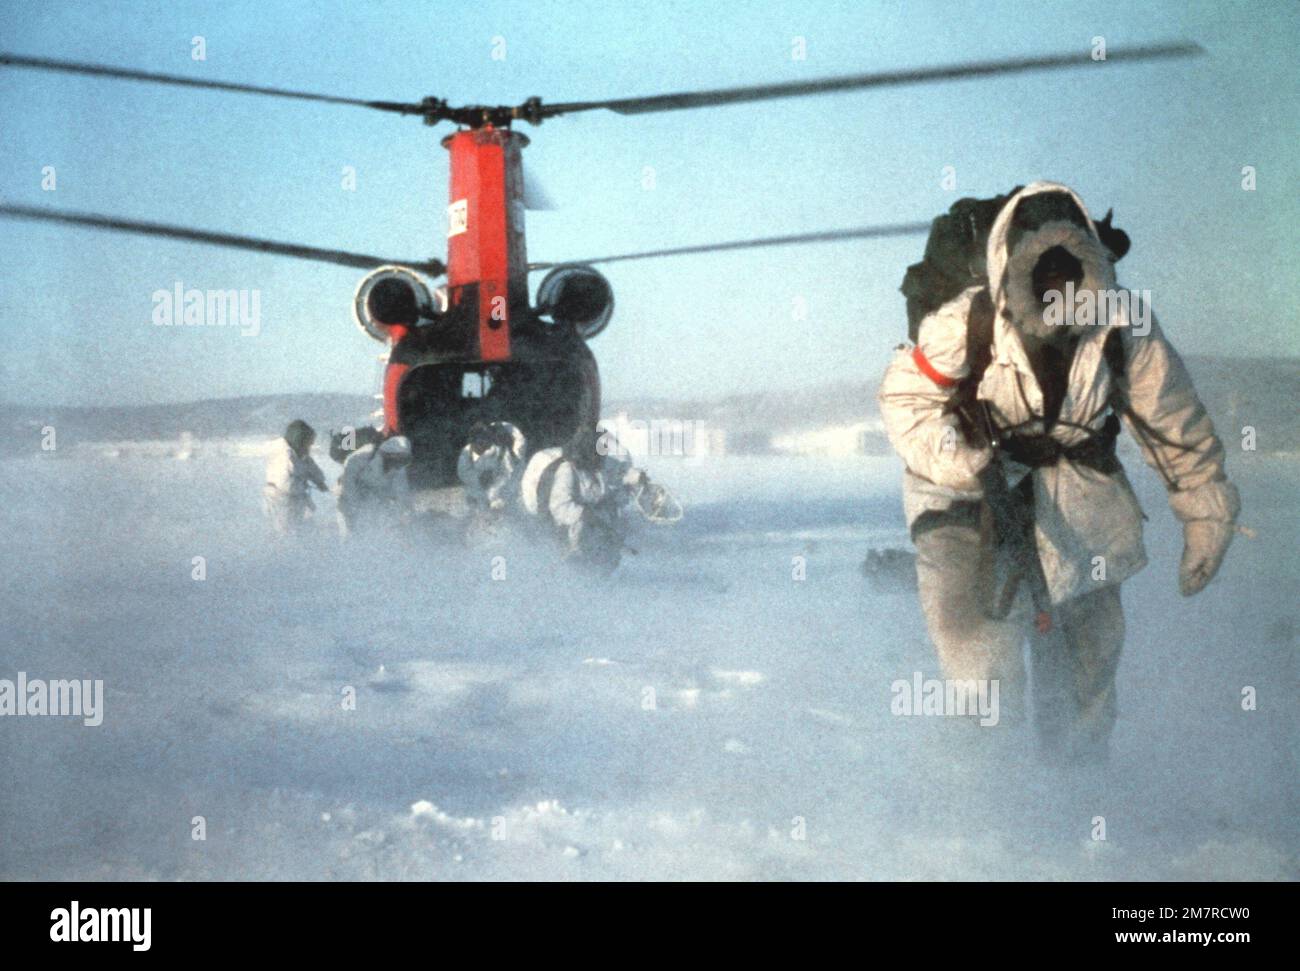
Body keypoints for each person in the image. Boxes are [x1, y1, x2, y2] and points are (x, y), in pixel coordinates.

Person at [879, 181, 1240, 762]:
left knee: (1088, 656)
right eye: (1041, 276)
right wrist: (965, 463)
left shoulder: (1123, 326)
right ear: (1015, 270)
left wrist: (1205, 510)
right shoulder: (963, 323)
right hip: (962, 497)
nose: (1056, 292)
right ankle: (983, 793)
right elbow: (907, 401)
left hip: (1078, 498)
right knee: (978, 655)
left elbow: (1172, 419)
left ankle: (1076, 793)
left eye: (1069, 275)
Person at [519, 427, 650, 572]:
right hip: (564, 522)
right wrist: (584, 515)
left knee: (610, 540)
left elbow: (617, 473)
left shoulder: (598, 465)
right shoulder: (566, 471)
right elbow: (559, 507)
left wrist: (635, 477)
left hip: (591, 519)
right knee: (578, 549)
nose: (601, 458)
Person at [337, 434, 413, 537]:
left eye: (404, 460)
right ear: (388, 455)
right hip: (353, 503)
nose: (399, 464)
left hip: (378, 504)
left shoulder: (398, 468)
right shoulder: (359, 460)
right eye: (398, 459)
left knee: (382, 532)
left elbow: (402, 491)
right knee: (355, 535)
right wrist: (354, 513)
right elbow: (349, 489)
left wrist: (404, 512)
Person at [263, 419, 328, 534]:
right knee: (285, 533)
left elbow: (310, 466)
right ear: (300, 440)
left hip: (294, 500)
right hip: (280, 500)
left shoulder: (299, 453)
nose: (310, 446)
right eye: (308, 442)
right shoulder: (283, 456)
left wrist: (319, 481)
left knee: (298, 529)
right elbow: (286, 485)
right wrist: (302, 484)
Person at [457, 421, 527, 511]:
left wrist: (495, 488)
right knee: (475, 500)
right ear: (472, 441)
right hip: (477, 487)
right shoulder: (466, 454)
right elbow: (463, 472)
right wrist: (478, 478)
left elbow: (508, 473)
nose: (484, 445)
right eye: (480, 443)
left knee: (503, 502)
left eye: (486, 441)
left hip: (499, 488)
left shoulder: (500, 451)